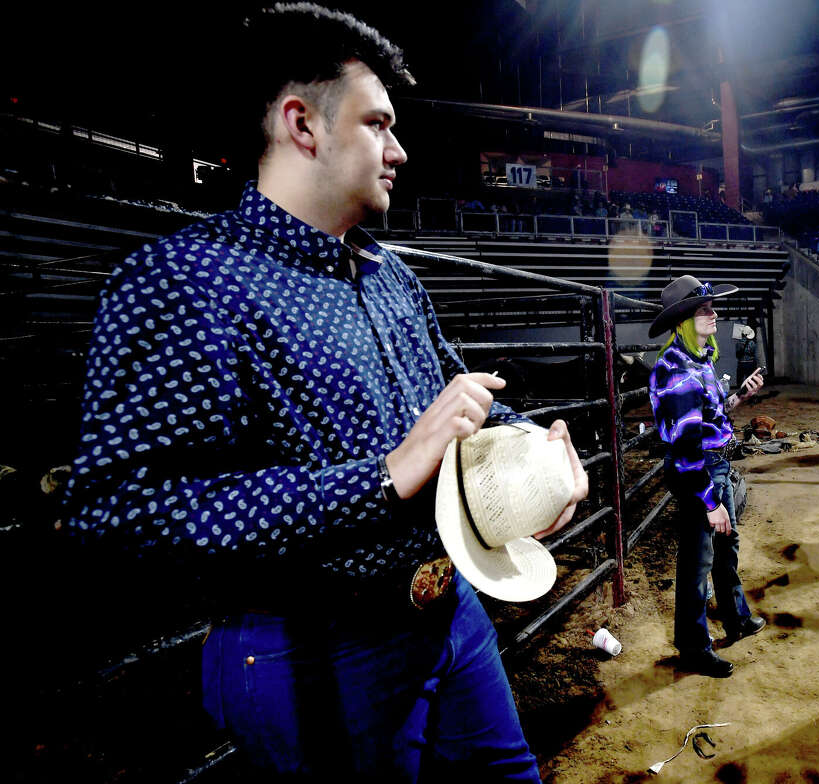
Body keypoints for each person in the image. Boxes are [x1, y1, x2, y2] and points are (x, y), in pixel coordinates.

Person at [62, 4, 588, 778]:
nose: (400, 151)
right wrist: (376, 481)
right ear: (301, 125)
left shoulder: (391, 275)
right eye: (379, 124)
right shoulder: (184, 281)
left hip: (450, 613)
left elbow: (460, 401)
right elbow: (117, 513)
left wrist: (534, 453)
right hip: (312, 644)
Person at [648, 276, 766, 678]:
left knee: (725, 547)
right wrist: (710, 501)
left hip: (714, 465)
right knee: (698, 563)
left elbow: (711, 419)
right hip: (697, 472)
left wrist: (740, 397)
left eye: (712, 308)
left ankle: (736, 618)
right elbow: (685, 448)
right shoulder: (676, 370)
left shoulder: (700, 359)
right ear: (683, 319)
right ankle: (694, 647)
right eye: (703, 310)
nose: (713, 315)